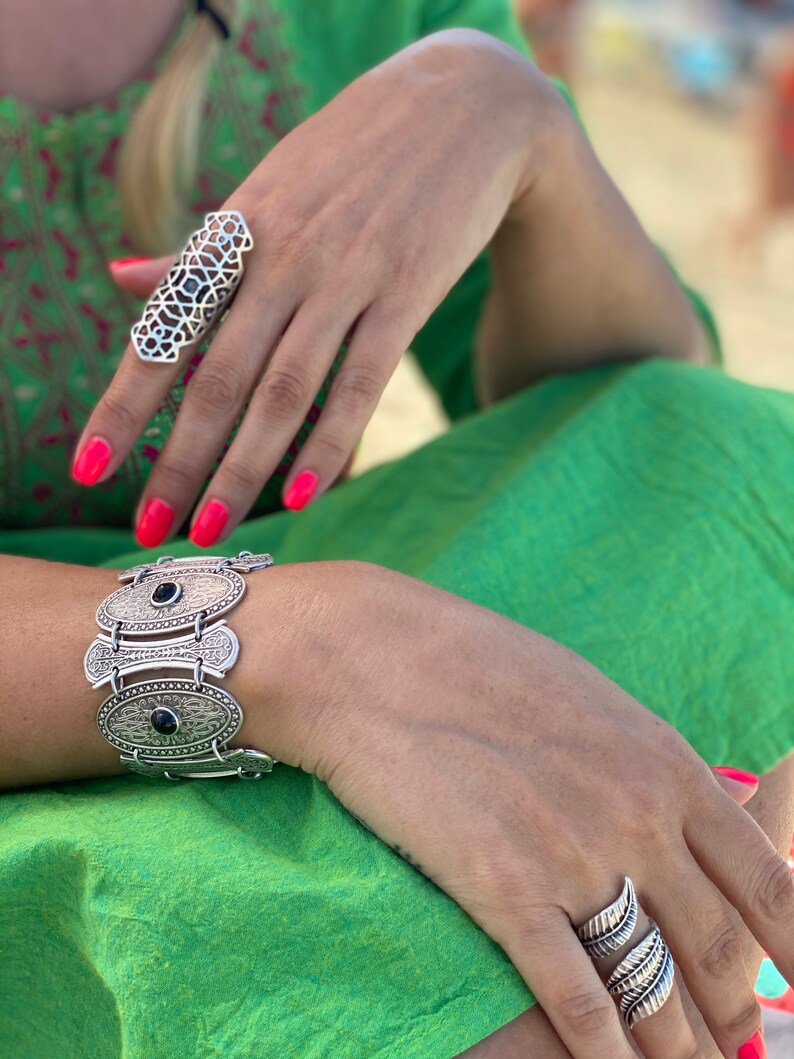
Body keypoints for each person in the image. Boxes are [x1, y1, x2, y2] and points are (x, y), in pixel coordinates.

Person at [0, 2, 792, 1057]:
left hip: (370, 643)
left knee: (733, 449)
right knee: (264, 938)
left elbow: (641, 433)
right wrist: (300, 645)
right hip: (70, 719)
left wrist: (517, 128)